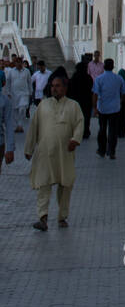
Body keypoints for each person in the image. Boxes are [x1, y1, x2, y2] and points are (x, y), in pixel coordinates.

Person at [24, 71, 84, 230]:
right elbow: (34, 127)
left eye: (57, 86)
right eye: (52, 86)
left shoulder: (73, 106)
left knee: (65, 185)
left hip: (65, 154)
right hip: (45, 154)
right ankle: (42, 217)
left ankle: (62, 217)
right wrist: (29, 149)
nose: (54, 89)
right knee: (43, 185)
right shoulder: (43, 105)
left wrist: (75, 140)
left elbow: (79, 124)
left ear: (65, 88)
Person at [92, 58, 125, 159]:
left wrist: (94, 107)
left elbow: (95, 94)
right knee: (113, 131)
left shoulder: (99, 79)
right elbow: (124, 92)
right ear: (113, 67)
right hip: (115, 108)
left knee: (102, 129)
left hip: (102, 108)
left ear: (104, 66)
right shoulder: (119, 78)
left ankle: (101, 150)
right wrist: (120, 102)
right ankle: (112, 151)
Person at [67, 60, 94, 140]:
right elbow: (91, 90)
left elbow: (70, 90)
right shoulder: (89, 78)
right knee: (86, 117)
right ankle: (85, 131)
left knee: (76, 118)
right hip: (87, 101)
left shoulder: (74, 78)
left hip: (76, 101)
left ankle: (77, 132)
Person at [5, 57, 32, 132]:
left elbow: (29, 82)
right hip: (14, 94)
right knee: (15, 110)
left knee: (22, 108)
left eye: (20, 62)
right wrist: (8, 92)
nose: (18, 64)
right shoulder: (11, 71)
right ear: (15, 63)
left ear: (22, 63)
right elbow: (8, 82)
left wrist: (30, 92)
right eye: (17, 62)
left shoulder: (26, 71)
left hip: (24, 94)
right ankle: (18, 126)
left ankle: (20, 124)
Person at [0, 67, 16, 175]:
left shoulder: (5, 101)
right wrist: (10, 149)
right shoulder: (5, 101)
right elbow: (10, 126)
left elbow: (10, 125)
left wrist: (10, 148)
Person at [116, 69, 125, 138]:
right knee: (124, 119)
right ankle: (122, 133)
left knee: (117, 119)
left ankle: (117, 132)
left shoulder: (116, 82)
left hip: (116, 104)